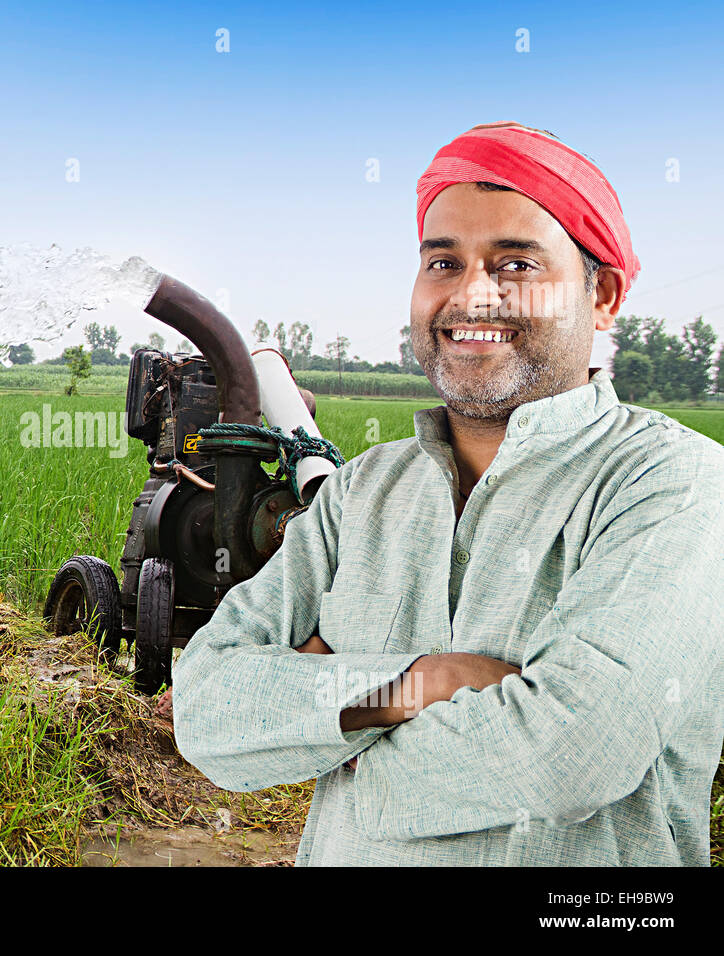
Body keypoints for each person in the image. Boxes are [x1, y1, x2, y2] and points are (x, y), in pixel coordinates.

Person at [170, 121, 724, 865]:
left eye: (517, 262)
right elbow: (207, 712)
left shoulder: (672, 484)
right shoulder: (362, 492)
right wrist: (411, 687)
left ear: (605, 296)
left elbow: (573, 751)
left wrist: (331, 725)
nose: (472, 296)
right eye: (443, 260)